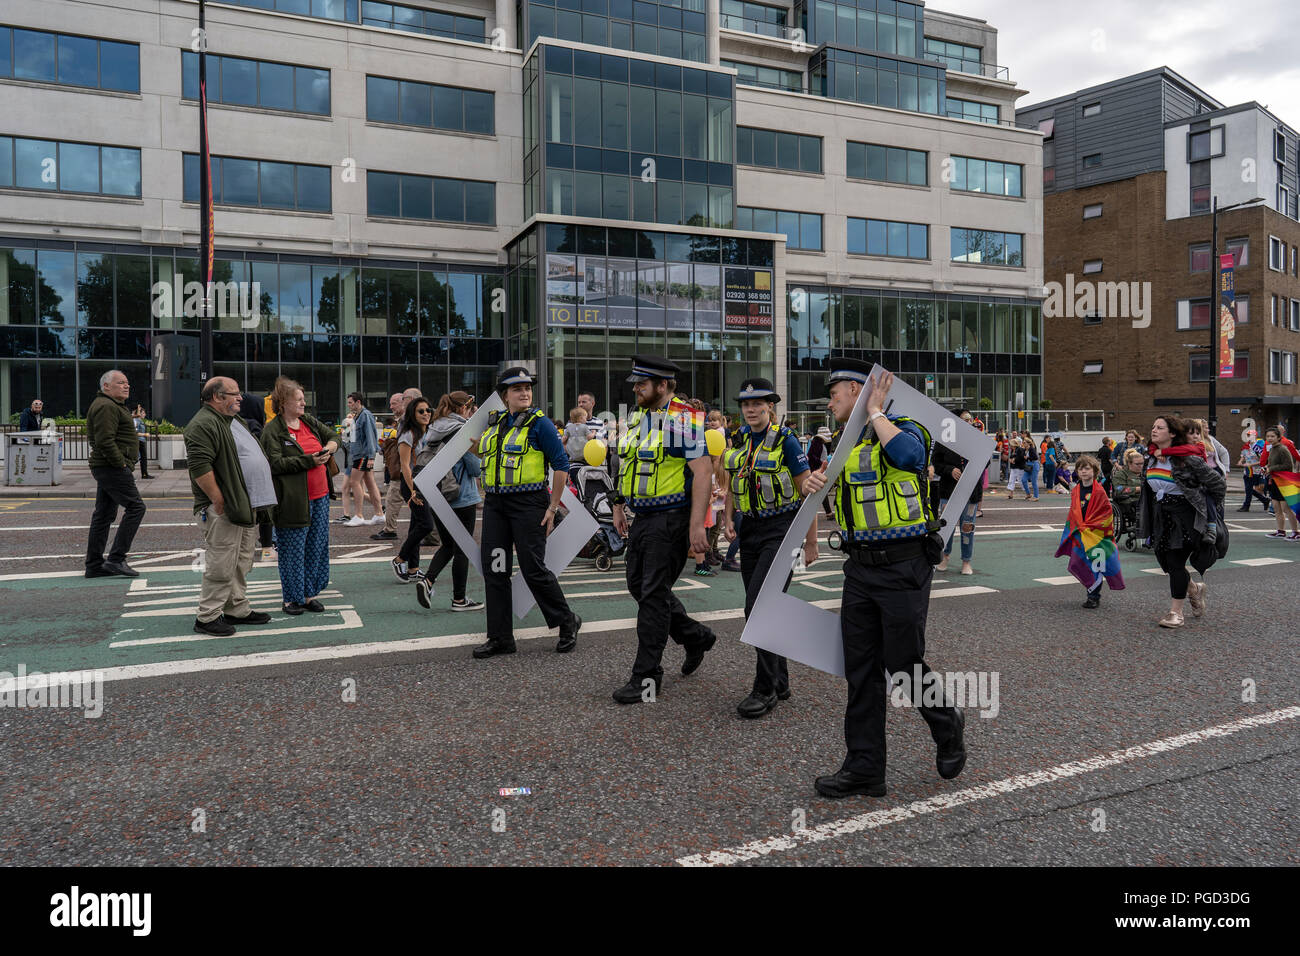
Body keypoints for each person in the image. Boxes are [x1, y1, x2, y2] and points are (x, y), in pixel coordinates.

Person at [799, 361, 964, 798]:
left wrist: (876, 412)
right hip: (859, 568)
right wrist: (814, 484)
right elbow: (832, 490)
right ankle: (865, 769)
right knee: (862, 672)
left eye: (835, 392)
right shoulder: (840, 442)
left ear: (857, 390)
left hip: (904, 564)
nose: (829, 400)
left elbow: (909, 459)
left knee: (904, 667)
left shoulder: (908, 426)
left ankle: (947, 725)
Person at [610, 355, 717, 703]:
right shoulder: (639, 416)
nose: (636, 388)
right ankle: (695, 635)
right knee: (638, 586)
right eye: (636, 383)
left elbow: (702, 472)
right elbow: (627, 463)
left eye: (642, 383)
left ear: (662, 384)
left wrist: (696, 526)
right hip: (642, 517)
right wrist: (618, 504)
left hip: (670, 518)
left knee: (653, 596)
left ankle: (646, 678)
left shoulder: (681, 418)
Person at [722, 378, 817, 718]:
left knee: (757, 608)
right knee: (766, 606)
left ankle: (765, 690)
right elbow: (734, 482)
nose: (750, 409)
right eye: (746, 404)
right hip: (750, 530)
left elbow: (807, 488)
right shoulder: (740, 439)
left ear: (770, 407)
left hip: (782, 531)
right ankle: (781, 679)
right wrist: (729, 518)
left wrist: (810, 541)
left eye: (757, 403)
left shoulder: (787, 441)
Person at [473, 367, 581, 658]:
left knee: (533, 568)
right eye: (517, 388)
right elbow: (485, 454)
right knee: (495, 570)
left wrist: (553, 506)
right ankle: (501, 638)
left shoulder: (540, 424)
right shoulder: (494, 423)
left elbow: (560, 464)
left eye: (527, 388)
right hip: (496, 504)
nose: (524, 392)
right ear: (504, 395)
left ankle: (566, 620)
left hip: (529, 503)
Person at [184, 376, 276, 636]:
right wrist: (218, 499)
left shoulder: (232, 420)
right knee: (222, 561)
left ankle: (237, 608)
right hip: (225, 506)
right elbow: (200, 467)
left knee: (240, 560)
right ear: (216, 397)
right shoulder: (202, 424)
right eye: (234, 393)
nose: (240, 398)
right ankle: (207, 616)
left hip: (243, 504)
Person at [1138, 416, 1227, 628]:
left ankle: (1175, 613)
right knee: (1167, 563)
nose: (1154, 430)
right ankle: (1195, 589)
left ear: (1172, 434)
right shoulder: (1150, 458)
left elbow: (1218, 486)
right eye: (1153, 426)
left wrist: (1206, 507)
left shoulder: (1189, 459)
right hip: (1162, 517)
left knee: (1176, 563)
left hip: (1186, 518)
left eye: (1160, 427)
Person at [260, 377, 338, 615]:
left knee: (316, 546)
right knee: (293, 548)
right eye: (300, 399)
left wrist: (331, 447)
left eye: (304, 399)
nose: (304, 403)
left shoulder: (307, 421)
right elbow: (275, 463)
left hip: (321, 496)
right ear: (283, 402)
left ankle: (308, 594)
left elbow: (334, 436)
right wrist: (309, 460)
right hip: (293, 500)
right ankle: (291, 599)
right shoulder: (273, 430)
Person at [414, 391, 484, 612]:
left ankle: (427, 580)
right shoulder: (461, 430)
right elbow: (474, 468)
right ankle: (459, 599)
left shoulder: (434, 429)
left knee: (448, 545)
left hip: (438, 493)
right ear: (463, 408)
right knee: (462, 548)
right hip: (462, 496)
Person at [84, 370, 146, 578]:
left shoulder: (112, 405)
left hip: (107, 467)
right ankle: (116, 559)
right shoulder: (106, 406)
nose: (126, 386)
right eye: (120, 383)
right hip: (111, 467)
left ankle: (94, 565)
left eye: (127, 383)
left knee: (103, 515)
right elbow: (104, 440)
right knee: (136, 507)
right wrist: (120, 464)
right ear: (106, 387)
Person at [1055, 455, 1124, 609]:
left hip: (1096, 534)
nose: (1084, 471)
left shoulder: (1099, 491)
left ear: (1094, 471)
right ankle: (1091, 591)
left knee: (1095, 565)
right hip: (1080, 533)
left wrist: (1091, 526)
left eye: (1087, 468)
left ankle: (1093, 596)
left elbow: (1106, 514)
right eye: (1081, 469)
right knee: (1079, 562)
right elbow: (1074, 512)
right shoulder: (1076, 490)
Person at [390, 396, 438, 584]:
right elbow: (405, 465)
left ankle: (413, 568)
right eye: (421, 411)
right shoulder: (408, 434)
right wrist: (412, 491)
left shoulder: (429, 432)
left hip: (426, 482)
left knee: (416, 524)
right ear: (412, 413)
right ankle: (399, 559)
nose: (426, 414)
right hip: (412, 484)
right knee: (426, 524)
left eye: (428, 410)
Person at [933, 409, 982, 575]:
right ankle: (944, 557)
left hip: (970, 492)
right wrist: (950, 469)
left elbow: (985, 461)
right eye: (965, 419)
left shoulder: (977, 439)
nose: (969, 422)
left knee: (967, 528)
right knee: (946, 526)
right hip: (948, 491)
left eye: (970, 420)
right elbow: (936, 463)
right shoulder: (945, 439)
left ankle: (966, 561)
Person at [372, 390, 416, 541]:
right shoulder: (402, 421)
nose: (391, 407)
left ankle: (430, 533)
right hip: (403, 469)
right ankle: (390, 529)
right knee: (396, 499)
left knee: (413, 502)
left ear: (405, 402)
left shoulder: (408, 421)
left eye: (394, 403)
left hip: (407, 469)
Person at [345, 392, 384, 525]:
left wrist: (371, 456)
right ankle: (379, 513)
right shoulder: (359, 416)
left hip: (363, 455)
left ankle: (359, 515)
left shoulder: (365, 415)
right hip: (361, 454)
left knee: (354, 482)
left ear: (358, 402)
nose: (348, 405)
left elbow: (370, 435)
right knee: (370, 483)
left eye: (350, 402)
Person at [1262, 428, 1300, 539]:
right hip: (1274, 480)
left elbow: (1288, 465)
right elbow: (1271, 463)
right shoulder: (1272, 448)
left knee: (1286, 508)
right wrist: (1266, 468)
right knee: (1276, 507)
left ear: (1279, 437)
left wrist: (1271, 468)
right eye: (1268, 436)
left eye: (1272, 436)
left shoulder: (1283, 449)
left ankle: (1296, 532)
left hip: (1283, 482)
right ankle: (1281, 531)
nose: (1270, 438)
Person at [1237, 434, 1271, 512]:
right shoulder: (1246, 446)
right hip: (1247, 471)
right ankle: (1264, 500)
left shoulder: (1258, 447)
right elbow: (1243, 456)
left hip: (1256, 471)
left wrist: (1251, 464)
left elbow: (1263, 460)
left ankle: (1247, 506)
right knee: (1248, 489)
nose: (1248, 437)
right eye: (1247, 435)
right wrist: (1240, 461)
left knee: (1250, 489)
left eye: (1250, 435)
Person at [564, 406, 591, 478]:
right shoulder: (584, 427)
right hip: (583, 454)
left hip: (572, 455)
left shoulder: (569, 427)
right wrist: (594, 433)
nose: (586, 420)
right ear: (581, 418)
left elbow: (564, 439)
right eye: (585, 418)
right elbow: (589, 437)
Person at [132, 404, 154, 480]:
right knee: (136, 458)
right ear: (139, 413)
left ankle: (144, 474)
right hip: (138, 440)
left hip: (141, 441)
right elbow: (135, 432)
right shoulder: (136, 420)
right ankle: (127, 473)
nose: (145, 414)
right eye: (143, 413)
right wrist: (145, 434)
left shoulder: (139, 420)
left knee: (143, 458)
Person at [1020, 432, 1040, 500]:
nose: (1023, 443)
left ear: (1028, 443)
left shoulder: (1032, 449)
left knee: (1034, 481)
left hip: (1034, 465)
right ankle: (1028, 494)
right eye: (1023, 442)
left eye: (1024, 442)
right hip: (1028, 466)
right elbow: (1022, 456)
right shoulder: (1025, 450)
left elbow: (1035, 457)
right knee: (1023, 480)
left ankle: (1036, 496)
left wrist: (1027, 458)